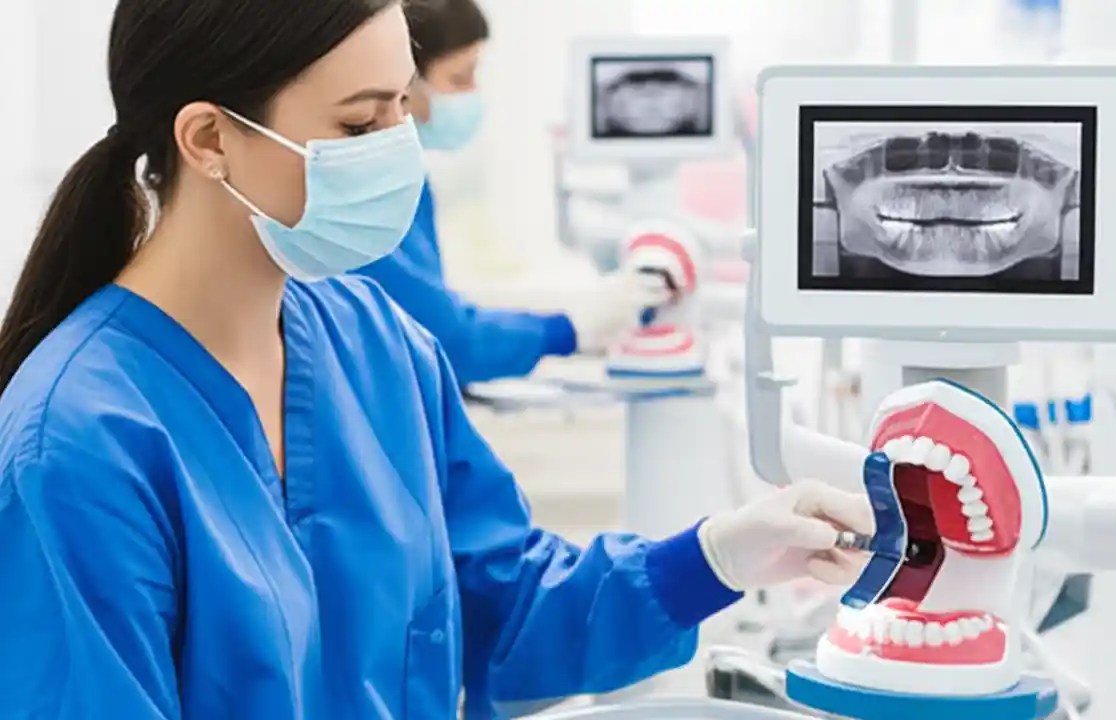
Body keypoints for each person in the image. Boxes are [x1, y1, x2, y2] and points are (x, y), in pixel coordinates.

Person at [0, 2, 874, 718]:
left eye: (403, 111)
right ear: (208, 138)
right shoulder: (79, 441)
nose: (397, 152)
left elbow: (505, 612)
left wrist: (715, 557)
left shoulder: (376, 348)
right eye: (360, 122)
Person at [354, 0, 660, 386]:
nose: (472, 94)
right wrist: (571, 328)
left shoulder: (406, 182)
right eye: (460, 77)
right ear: (403, 86)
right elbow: (445, 339)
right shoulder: (365, 195)